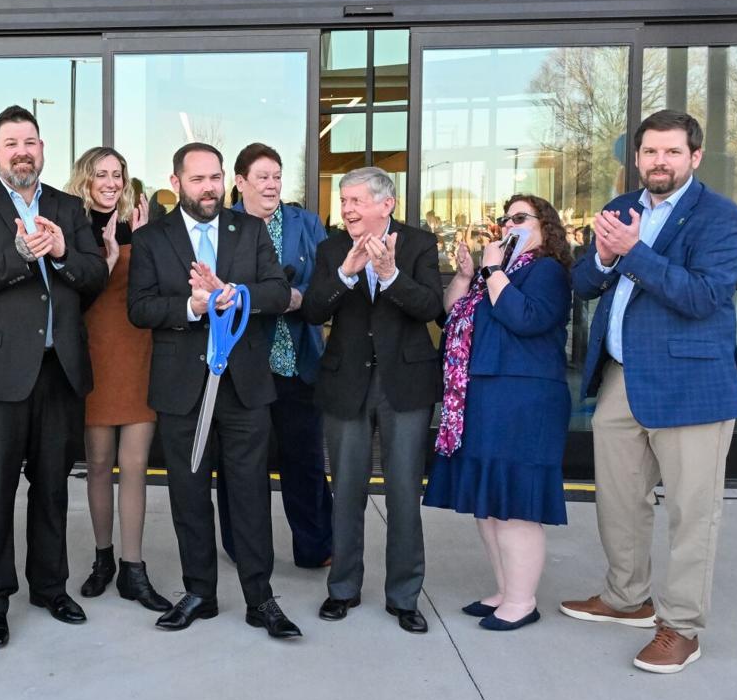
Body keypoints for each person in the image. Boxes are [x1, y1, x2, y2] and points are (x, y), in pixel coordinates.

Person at [561, 109, 737, 674]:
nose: (659, 161)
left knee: (692, 512)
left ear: (695, 157)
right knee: (619, 500)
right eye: (650, 152)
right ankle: (627, 598)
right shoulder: (623, 207)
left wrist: (634, 252)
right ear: (637, 157)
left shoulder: (721, 218)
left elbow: (703, 297)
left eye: (671, 152)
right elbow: (583, 283)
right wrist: (603, 256)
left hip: (691, 385)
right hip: (622, 377)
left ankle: (682, 627)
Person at [0, 105, 108, 648]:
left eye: (30, 142)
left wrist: (61, 253)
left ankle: (50, 587)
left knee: (52, 488)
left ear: (42, 150)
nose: (22, 152)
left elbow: (95, 276)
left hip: (59, 372)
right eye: (11, 143)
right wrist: (17, 255)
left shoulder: (68, 207)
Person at [127, 142, 300, 639]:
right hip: (182, 388)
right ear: (176, 182)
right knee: (188, 494)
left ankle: (260, 599)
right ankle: (199, 592)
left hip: (244, 386)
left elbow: (276, 292)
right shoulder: (152, 238)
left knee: (250, 494)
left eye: (216, 178)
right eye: (198, 179)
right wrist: (192, 307)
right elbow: (139, 308)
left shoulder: (249, 230)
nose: (209, 188)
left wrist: (234, 294)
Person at [422, 194, 574, 631]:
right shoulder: (502, 272)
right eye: (505, 219)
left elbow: (525, 319)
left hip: (524, 398)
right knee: (490, 504)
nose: (509, 225)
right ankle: (507, 590)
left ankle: (522, 600)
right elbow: (452, 314)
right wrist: (469, 275)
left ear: (545, 226)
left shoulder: (547, 271)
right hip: (486, 394)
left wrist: (492, 272)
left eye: (520, 218)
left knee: (515, 504)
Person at [302, 166, 443, 635]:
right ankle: (342, 588)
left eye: (356, 201)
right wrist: (346, 273)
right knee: (346, 493)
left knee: (403, 494)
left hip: (404, 384)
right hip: (346, 383)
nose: (347, 209)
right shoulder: (331, 249)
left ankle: (404, 597)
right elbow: (313, 310)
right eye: (344, 201)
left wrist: (390, 275)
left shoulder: (419, 244)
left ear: (387, 204)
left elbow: (430, 307)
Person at [66, 146, 170, 612]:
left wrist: (145, 245)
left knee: (135, 464)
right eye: (101, 174)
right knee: (99, 464)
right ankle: (103, 558)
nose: (110, 182)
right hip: (93, 357)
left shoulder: (142, 223)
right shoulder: (70, 225)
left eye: (117, 174)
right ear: (85, 179)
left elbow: (161, 290)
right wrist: (106, 261)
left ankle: (134, 568)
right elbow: (69, 301)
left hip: (139, 356)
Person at [223, 142, 333, 569]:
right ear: (240, 181)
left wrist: (299, 297)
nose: (271, 185)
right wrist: (263, 298)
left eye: (277, 176)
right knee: (241, 465)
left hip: (298, 362)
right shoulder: (224, 225)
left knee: (305, 461)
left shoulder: (306, 223)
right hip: (243, 365)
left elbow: (325, 282)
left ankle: (316, 547)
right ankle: (243, 549)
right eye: (262, 177)